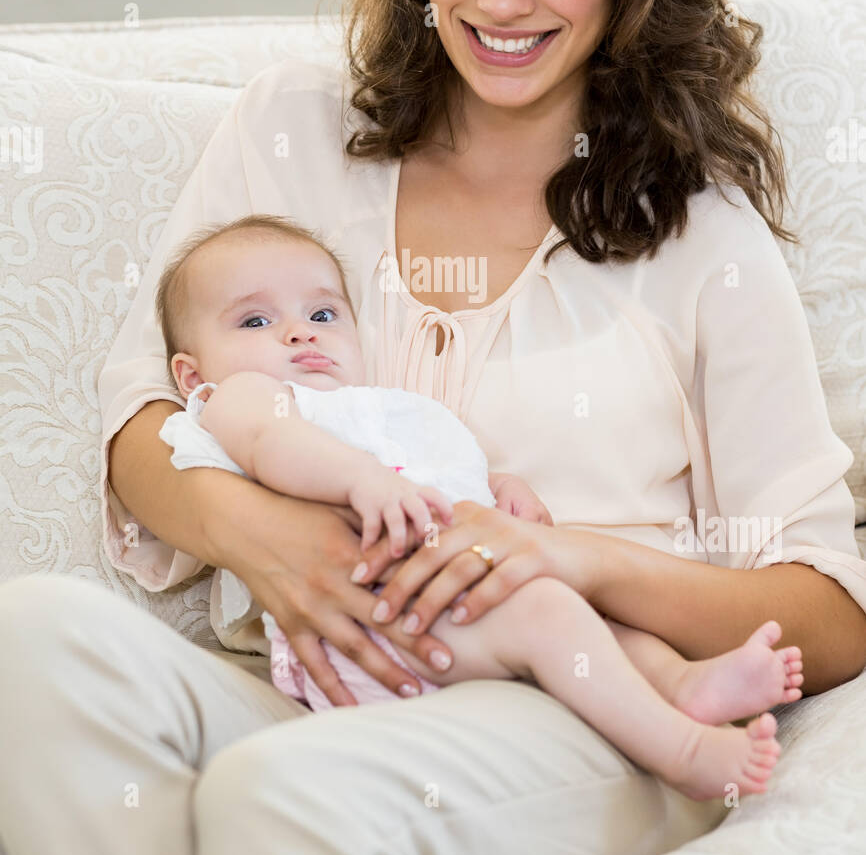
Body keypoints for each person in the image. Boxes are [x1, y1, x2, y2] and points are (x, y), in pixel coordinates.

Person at [2, 0, 865, 855]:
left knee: (290, 794)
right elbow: (147, 414)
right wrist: (268, 542)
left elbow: (824, 608)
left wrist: (576, 559)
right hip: (316, 687)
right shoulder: (294, 132)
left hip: (587, 710)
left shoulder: (696, 233)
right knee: (26, 639)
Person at [156, 213, 800, 801]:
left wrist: (501, 488)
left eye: (323, 314)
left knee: (595, 614)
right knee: (548, 612)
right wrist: (360, 479)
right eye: (255, 321)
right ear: (191, 375)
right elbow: (275, 446)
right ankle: (681, 753)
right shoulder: (237, 400)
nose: (298, 331)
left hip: (448, 604)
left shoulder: (387, 409)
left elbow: (444, 470)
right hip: (369, 626)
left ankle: (683, 687)